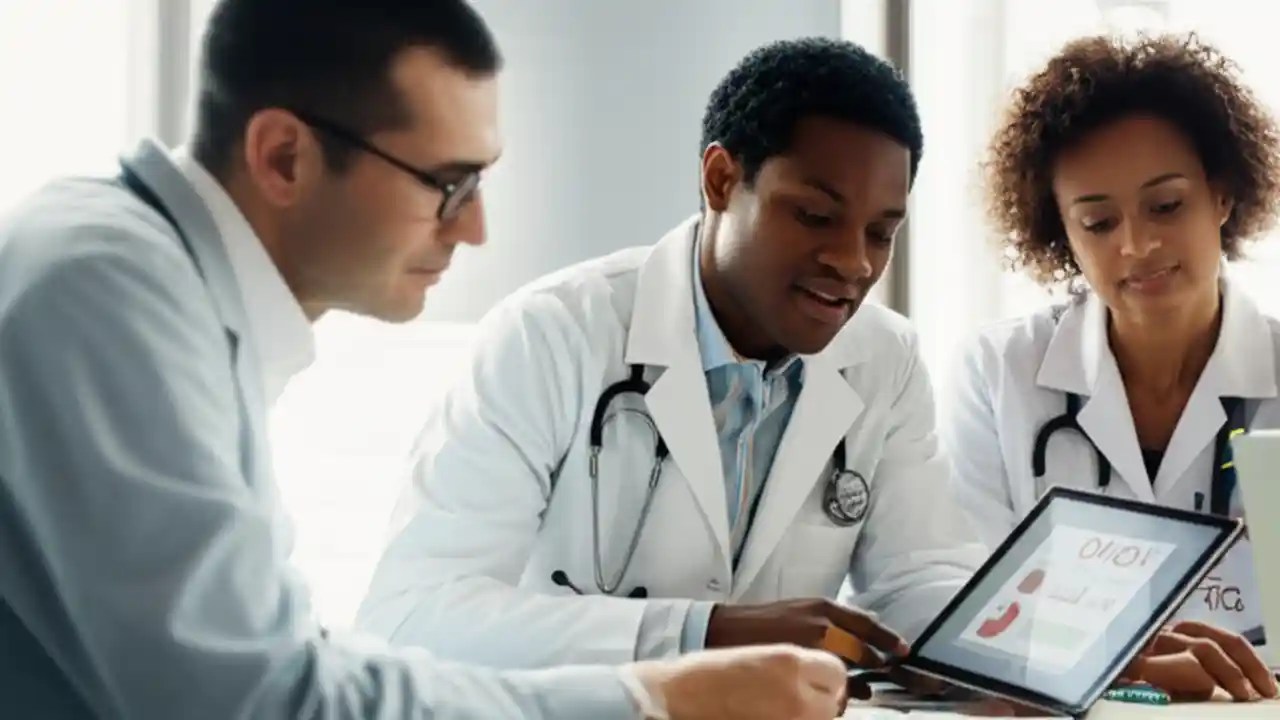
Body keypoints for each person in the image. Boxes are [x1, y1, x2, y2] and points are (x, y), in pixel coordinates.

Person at [0, 2, 853, 718]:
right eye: (448, 183)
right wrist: (653, 698)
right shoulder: (110, 292)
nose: (475, 228)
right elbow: (258, 697)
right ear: (283, 157)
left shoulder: (142, 272)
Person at [354, 37, 987, 673]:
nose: (853, 262)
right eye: (815, 215)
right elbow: (413, 616)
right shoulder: (551, 335)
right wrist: (703, 633)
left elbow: (920, 580)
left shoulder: (885, 357)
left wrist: (1003, 654)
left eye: (881, 233)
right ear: (721, 180)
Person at [943, 33, 1280, 702]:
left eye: (1166, 205)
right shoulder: (999, 372)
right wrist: (1122, 661)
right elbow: (958, 604)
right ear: (1060, 234)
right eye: (1097, 222)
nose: (1137, 245)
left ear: (1222, 196)